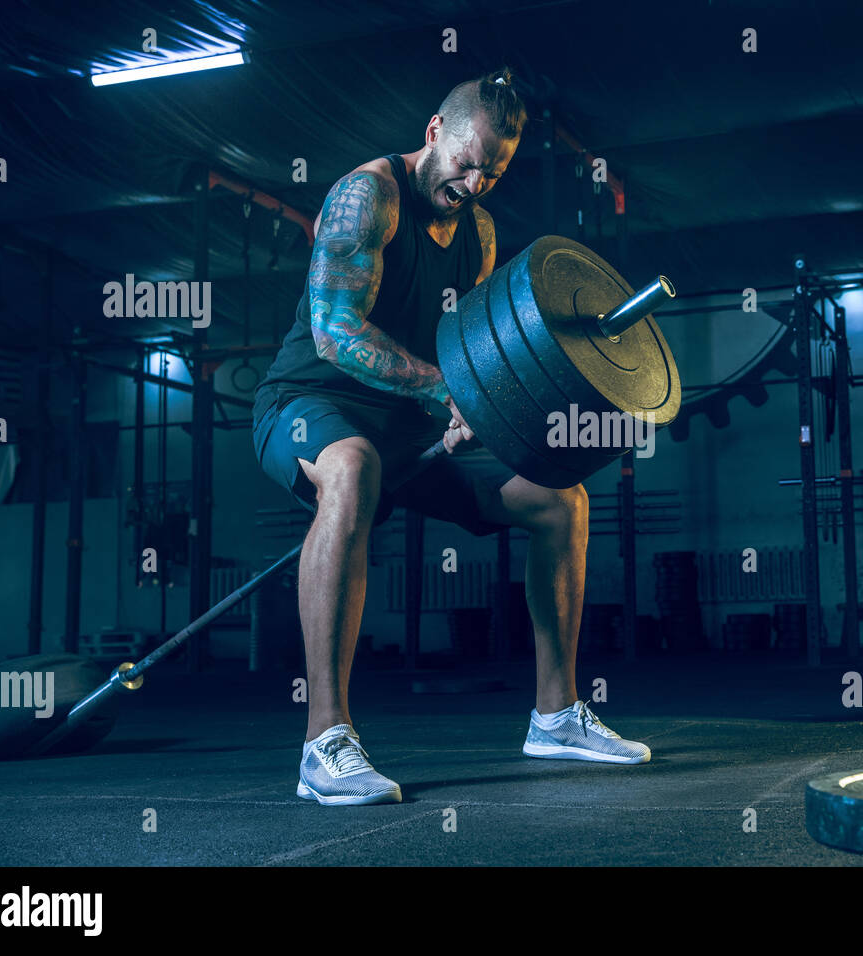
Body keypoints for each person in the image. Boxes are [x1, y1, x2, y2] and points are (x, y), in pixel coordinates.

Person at [252, 69, 651, 806]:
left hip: (411, 425)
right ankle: (324, 741)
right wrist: (446, 391)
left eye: (492, 172)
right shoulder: (365, 195)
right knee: (352, 469)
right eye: (465, 163)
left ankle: (557, 715)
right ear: (434, 132)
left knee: (561, 500)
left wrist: (481, 406)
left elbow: (468, 348)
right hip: (311, 401)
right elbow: (336, 332)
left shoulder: (481, 233)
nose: (474, 183)